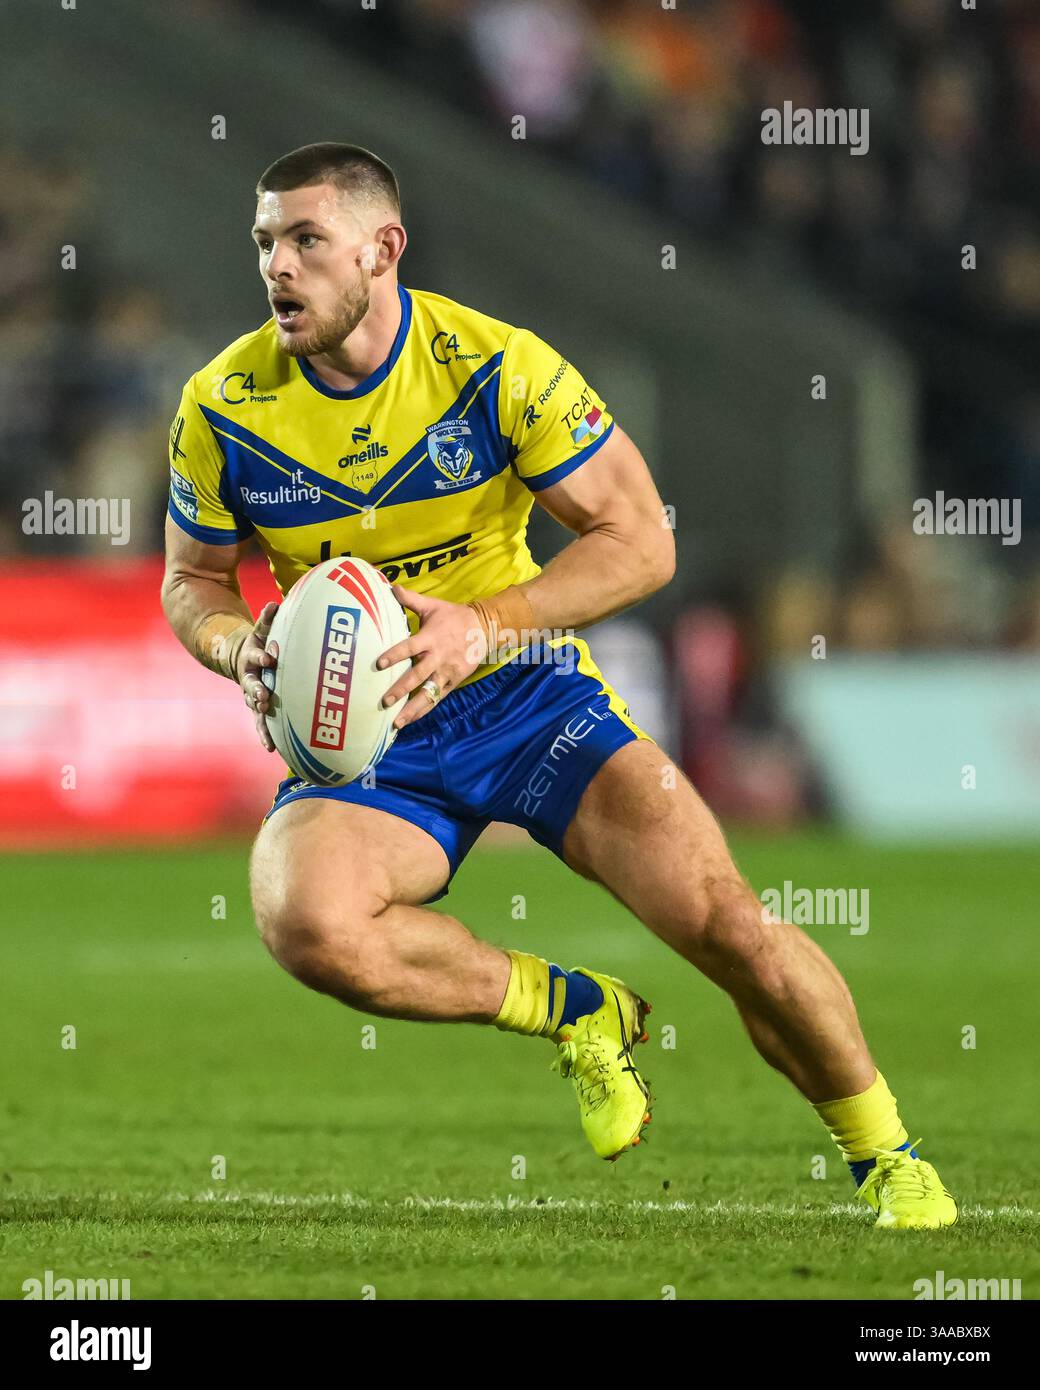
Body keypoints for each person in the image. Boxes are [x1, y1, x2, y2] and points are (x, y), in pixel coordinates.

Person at [161, 143, 956, 1227]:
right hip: (370, 734)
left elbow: (640, 542)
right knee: (305, 919)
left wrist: (486, 623)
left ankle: (885, 1154)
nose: (277, 268)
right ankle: (572, 1010)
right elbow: (192, 582)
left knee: (729, 925)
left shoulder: (495, 367)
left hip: (528, 696)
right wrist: (233, 648)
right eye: (264, 242)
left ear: (381, 247)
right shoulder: (223, 405)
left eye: (305, 239)